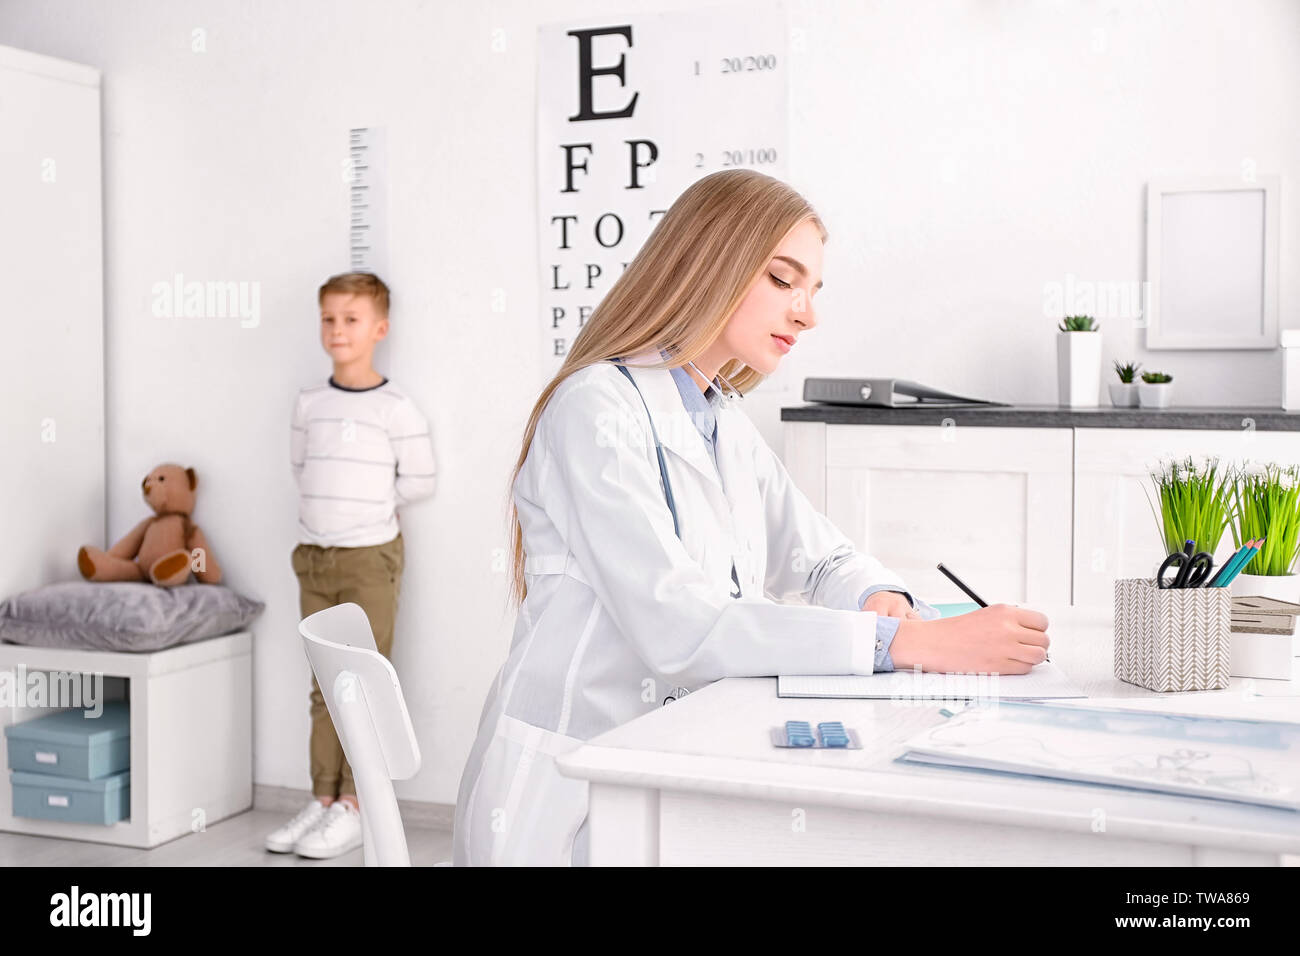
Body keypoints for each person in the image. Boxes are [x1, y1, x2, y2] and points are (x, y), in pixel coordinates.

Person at [452, 169, 1051, 866]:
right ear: (710, 262)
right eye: (782, 278)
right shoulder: (596, 409)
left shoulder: (721, 419)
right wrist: (910, 645)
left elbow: (820, 556)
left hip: (670, 758)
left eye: (813, 289)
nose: (806, 313)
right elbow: (679, 626)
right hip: (569, 784)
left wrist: (876, 597)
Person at [265, 271, 436, 858]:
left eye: (351, 319)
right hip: (314, 556)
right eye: (329, 319)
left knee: (360, 683)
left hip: (370, 557)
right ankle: (322, 798)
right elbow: (300, 469)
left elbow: (419, 479)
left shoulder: (395, 407)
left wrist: (364, 518)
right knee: (322, 685)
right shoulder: (309, 403)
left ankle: (356, 807)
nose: (338, 330)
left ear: (379, 329)